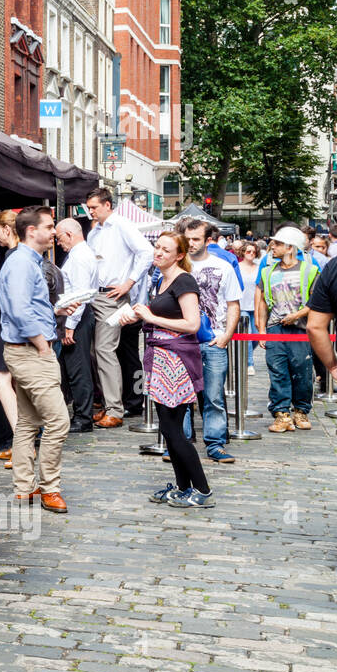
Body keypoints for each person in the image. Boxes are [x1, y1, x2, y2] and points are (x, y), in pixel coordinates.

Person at [117, 231, 214, 508]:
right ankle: (184, 487)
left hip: (177, 360)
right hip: (160, 358)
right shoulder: (161, 279)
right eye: (156, 247)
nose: (157, 253)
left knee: (173, 429)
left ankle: (203, 490)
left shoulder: (184, 281)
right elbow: (162, 315)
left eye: (165, 250)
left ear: (179, 255)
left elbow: (192, 324)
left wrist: (150, 316)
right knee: (168, 428)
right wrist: (138, 314)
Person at [0, 207, 79, 514]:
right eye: (49, 226)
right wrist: (41, 344)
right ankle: (49, 488)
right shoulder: (22, 262)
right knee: (59, 421)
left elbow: (25, 304)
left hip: (27, 349)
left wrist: (54, 312)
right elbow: (19, 310)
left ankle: (24, 488)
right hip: (31, 351)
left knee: (29, 423)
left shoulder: (24, 260)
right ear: (32, 231)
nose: (54, 231)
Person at [85, 188, 154, 428]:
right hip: (96, 295)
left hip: (113, 296)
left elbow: (146, 251)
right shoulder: (96, 232)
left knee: (105, 350)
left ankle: (115, 408)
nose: (90, 211)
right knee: (96, 351)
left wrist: (129, 282)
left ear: (107, 205)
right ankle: (109, 403)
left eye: (94, 207)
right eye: (89, 207)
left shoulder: (122, 225)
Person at [181, 220, 242, 463]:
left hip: (213, 338)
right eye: (188, 238)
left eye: (196, 238)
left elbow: (233, 303)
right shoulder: (178, 265)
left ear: (208, 241)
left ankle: (215, 443)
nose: (191, 243)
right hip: (183, 341)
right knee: (182, 396)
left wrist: (226, 335)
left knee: (214, 395)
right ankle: (181, 443)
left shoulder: (223, 266)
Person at [257, 227, 319, 433]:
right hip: (275, 328)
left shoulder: (309, 271)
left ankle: (301, 411)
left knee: (302, 371)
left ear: (290, 248)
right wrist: (261, 331)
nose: (272, 247)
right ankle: (281, 413)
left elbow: (318, 302)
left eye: (277, 244)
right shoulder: (267, 272)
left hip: (300, 329)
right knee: (277, 371)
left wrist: (297, 315)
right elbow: (263, 303)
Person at [56, 218, 98, 432]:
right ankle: (81, 414)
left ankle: (83, 417)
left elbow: (79, 295)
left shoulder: (80, 257)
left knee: (78, 368)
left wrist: (70, 325)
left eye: (59, 237)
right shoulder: (80, 254)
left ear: (70, 234)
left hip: (77, 316)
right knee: (74, 367)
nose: (58, 242)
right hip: (77, 315)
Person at [0, 210, 21, 467]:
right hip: (12, 327)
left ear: (8, 230)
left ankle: (21, 444)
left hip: (10, 327)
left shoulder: (14, 257)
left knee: (0, 381)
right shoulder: (15, 256)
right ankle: (20, 442)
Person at [237, 241, 261, 374]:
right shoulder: (238, 267)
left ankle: (246, 354)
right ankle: (249, 363)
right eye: (248, 251)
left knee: (256, 336)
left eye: (253, 252)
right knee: (247, 335)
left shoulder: (259, 267)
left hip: (255, 305)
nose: (251, 254)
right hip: (241, 305)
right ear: (243, 253)